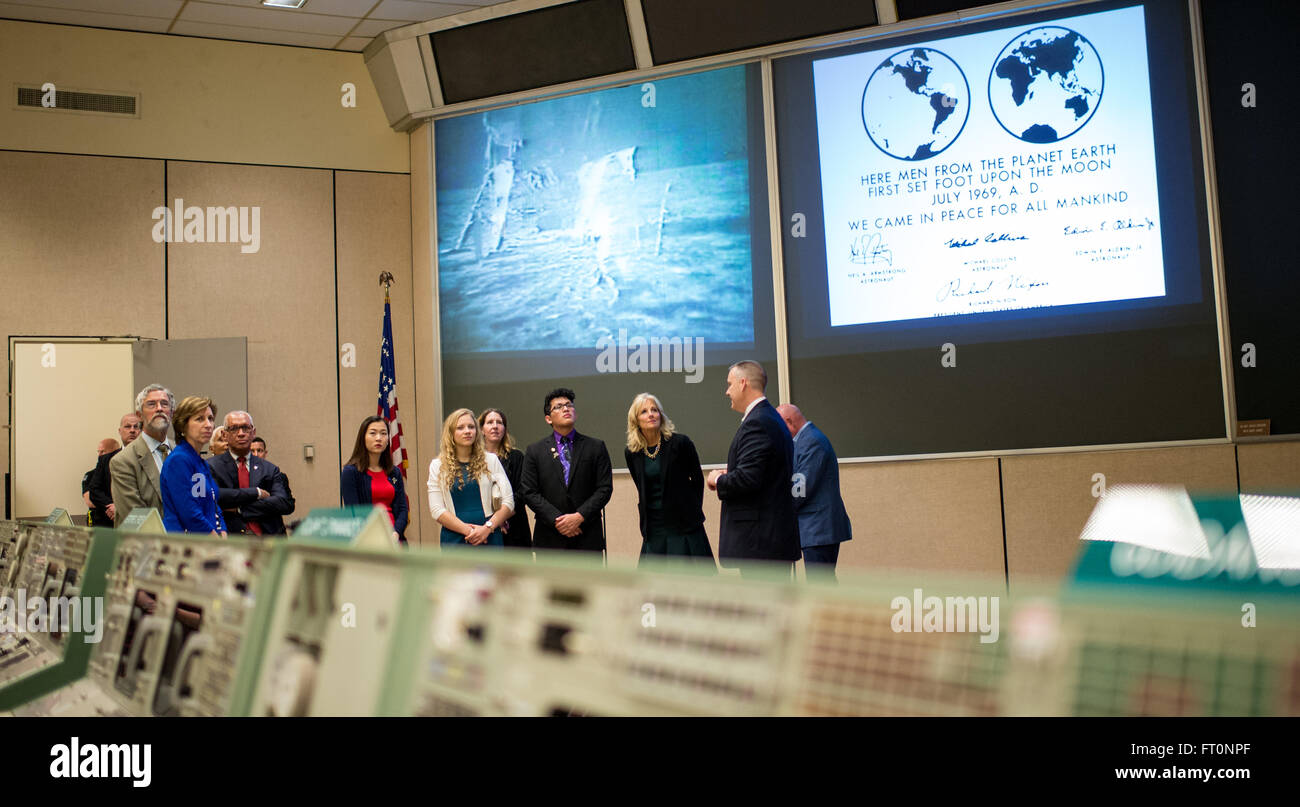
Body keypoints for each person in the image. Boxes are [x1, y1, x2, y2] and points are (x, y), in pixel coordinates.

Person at [706, 361, 801, 577]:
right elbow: (761, 470)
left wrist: (717, 480)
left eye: (730, 384)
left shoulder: (757, 422)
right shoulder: (769, 418)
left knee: (765, 608)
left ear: (743, 383)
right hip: (768, 544)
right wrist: (732, 472)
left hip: (761, 545)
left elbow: (748, 479)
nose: (727, 391)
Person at [624, 393, 715, 571]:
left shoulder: (680, 443)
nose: (651, 414)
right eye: (644, 411)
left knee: (690, 580)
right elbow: (641, 486)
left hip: (684, 526)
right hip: (654, 527)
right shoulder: (632, 452)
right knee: (655, 584)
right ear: (636, 420)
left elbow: (697, 480)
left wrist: (691, 511)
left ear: (661, 415)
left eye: (654, 410)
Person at [519, 388, 613, 553]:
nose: (565, 409)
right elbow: (529, 491)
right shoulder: (535, 450)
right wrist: (558, 520)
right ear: (548, 419)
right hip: (550, 536)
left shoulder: (595, 447)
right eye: (559, 406)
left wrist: (579, 517)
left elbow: (604, 488)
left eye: (569, 405)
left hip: (587, 534)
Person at [777, 404, 853, 580]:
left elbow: (801, 489)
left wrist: (777, 508)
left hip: (819, 530)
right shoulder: (806, 440)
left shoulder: (812, 442)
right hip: (814, 529)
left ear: (789, 422)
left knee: (820, 586)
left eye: (780, 429)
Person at [428, 408, 513, 548]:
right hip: (455, 538)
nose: (467, 431)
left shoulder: (490, 460)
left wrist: (487, 528)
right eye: (460, 428)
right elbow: (437, 509)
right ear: (450, 433)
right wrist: (470, 531)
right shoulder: (437, 466)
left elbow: (509, 502)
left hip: (489, 536)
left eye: (471, 427)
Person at [207, 411, 295, 536]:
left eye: (245, 428)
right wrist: (256, 493)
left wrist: (239, 509)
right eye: (234, 429)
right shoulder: (211, 466)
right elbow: (216, 496)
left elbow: (282, 502)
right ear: (224, 435)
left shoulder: (270, 469)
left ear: (253, 432)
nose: (241, 433)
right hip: (231, 539)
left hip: (268, 539)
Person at [159, 396, 226, 536]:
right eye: (200, 419)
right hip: (185, 543)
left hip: (207, 539)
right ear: (183, 425)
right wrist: (214, 537)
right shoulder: (178, 460)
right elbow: (189, 511)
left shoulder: (200, 462)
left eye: (211, 419)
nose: (208, 425)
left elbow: (212, 504)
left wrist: (223, 531)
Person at [111, 384, 176, 526]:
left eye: (164, 404)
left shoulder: (182, 453)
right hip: (145, 543)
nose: (159, 408)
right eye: (151, 404)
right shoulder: (123, 461)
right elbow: (135, 517)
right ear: (139, 415)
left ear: (172, 413)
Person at [340, 416, 409, 544]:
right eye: (373, 433)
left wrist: (395, 532)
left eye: (383, 434)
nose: (379, 438)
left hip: (394, 538)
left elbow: (402, 509)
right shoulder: (351, 472)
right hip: (367, 538)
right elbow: (353, 512)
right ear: (363, 438)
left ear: (388, 439)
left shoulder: (395, 472)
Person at [479, 408, 531, 550]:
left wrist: (501, 516)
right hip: (483, 526)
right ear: (482, 430)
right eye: (490, 422)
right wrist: (493, 521)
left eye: (499, 423)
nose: (495, 426)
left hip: (514, 527)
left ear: (504, 429)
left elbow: (522, 493)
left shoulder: (517, 457)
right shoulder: (474, 460)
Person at [89, 413, 142, 526]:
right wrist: (111, 505)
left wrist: (120, 507)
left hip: (140, 520)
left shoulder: (149, 459)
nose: (132, 430)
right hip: (109, 521)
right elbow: (94, 490)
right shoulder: (105, 460)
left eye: (136, 426)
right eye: (127, 427)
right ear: (120, 431)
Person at [83, 438, 118, 526]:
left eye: (103, 452)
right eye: (98, 452)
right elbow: (90, 501)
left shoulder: (121, 472)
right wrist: (113, 505)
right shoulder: (90, 475)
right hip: (100, 521)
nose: (99, 455)